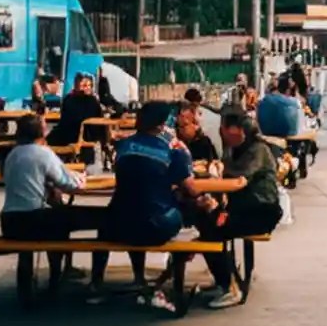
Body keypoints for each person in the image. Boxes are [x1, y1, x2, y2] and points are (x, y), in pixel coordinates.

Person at [88, 102, 212, 300]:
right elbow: (191, 188)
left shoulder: (124, 147)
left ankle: (97, 283)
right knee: (183, 210)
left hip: (117, 227)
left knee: (132, 207)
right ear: (163, 124)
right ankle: (177, 275)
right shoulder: (173, 150)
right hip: (155, 227)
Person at [195, 107, 284, 308]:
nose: (221, 133)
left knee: (213, 229)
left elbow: (237, 178)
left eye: (224, 128)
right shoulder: (234, 148)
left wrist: (214, 173)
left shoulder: (258, 150)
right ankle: (223, 281)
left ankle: (231, 287)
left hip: (261, 211)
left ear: (237, 130)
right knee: (205, 221)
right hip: (241, 209)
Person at [0, 115, 103, 286]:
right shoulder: (42, 153)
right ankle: (59, 272)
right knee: (93, 218)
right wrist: (83, 178)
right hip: (35, 220)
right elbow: (68, 184)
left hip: (10, 222)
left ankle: (52, 273)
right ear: (42, 132)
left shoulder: (12, 154)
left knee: (59, 214)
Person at [47, 72, 104, 153]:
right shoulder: (92, 101)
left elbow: (65, 121)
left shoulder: (70, 99)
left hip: (73, 135)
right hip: (82, 136)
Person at [256, 75, 303, 139]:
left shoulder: (264, 100)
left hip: (266, 134)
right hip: (288, 137)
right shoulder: (294, 103)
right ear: (288, 90)